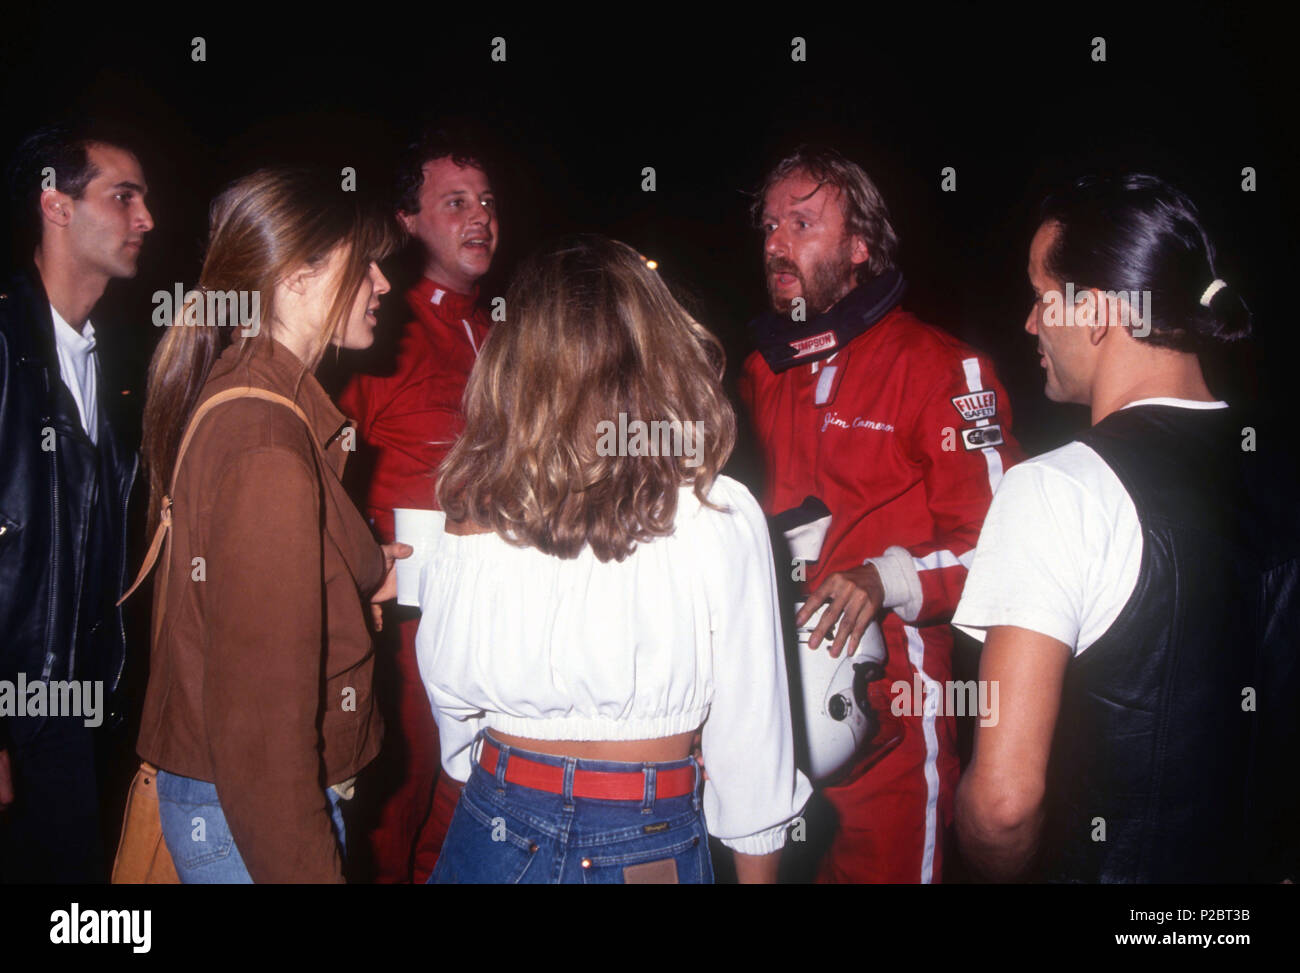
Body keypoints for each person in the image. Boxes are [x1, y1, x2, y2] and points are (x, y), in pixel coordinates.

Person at [416, 235, 812, 884]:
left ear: (515, 362)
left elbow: (449, 697)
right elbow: (752, 744)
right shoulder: (719, 507)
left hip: (494, 815)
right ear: (661, 350)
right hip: (644, 828)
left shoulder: (474, 503)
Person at [953, 173, 1299, 883]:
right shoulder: (1284, 462)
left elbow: (1003, 806)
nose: (1028, 323)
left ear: (1099, 312)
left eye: (1042, 295)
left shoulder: (1054, 489)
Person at [738, 146, 1021, 883]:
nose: (775, 242)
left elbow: (1000, 549)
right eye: (769, 225)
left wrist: (885, 575)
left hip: (895, 716)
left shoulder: (945, 369)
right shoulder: (760, 371)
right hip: (769, 704)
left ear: (860, 245)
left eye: (801, 222)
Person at [133, 168, 409, 882]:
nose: (382, 283)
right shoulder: (266, 443)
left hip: (229, 809)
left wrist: (352, 571)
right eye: (364, 263)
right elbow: (260, 744)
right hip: (251, 821)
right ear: (295, 277)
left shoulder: (254, 400)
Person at [336, 129, 496, 883]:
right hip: (401, 633)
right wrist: (365, 561)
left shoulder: (510, 336)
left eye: (488, 202)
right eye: (456, 202)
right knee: (392, 816)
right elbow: (326, 478)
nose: (481, 217)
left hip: (496, 626)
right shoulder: (380, 332)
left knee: (468, 813)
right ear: (408, 220)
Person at [0, 124, 153, 882]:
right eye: (123, 196)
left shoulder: (115, 362)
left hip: (92, 712)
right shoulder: (3, 344)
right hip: (23, 713)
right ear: (55, 206)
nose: (146, 218)